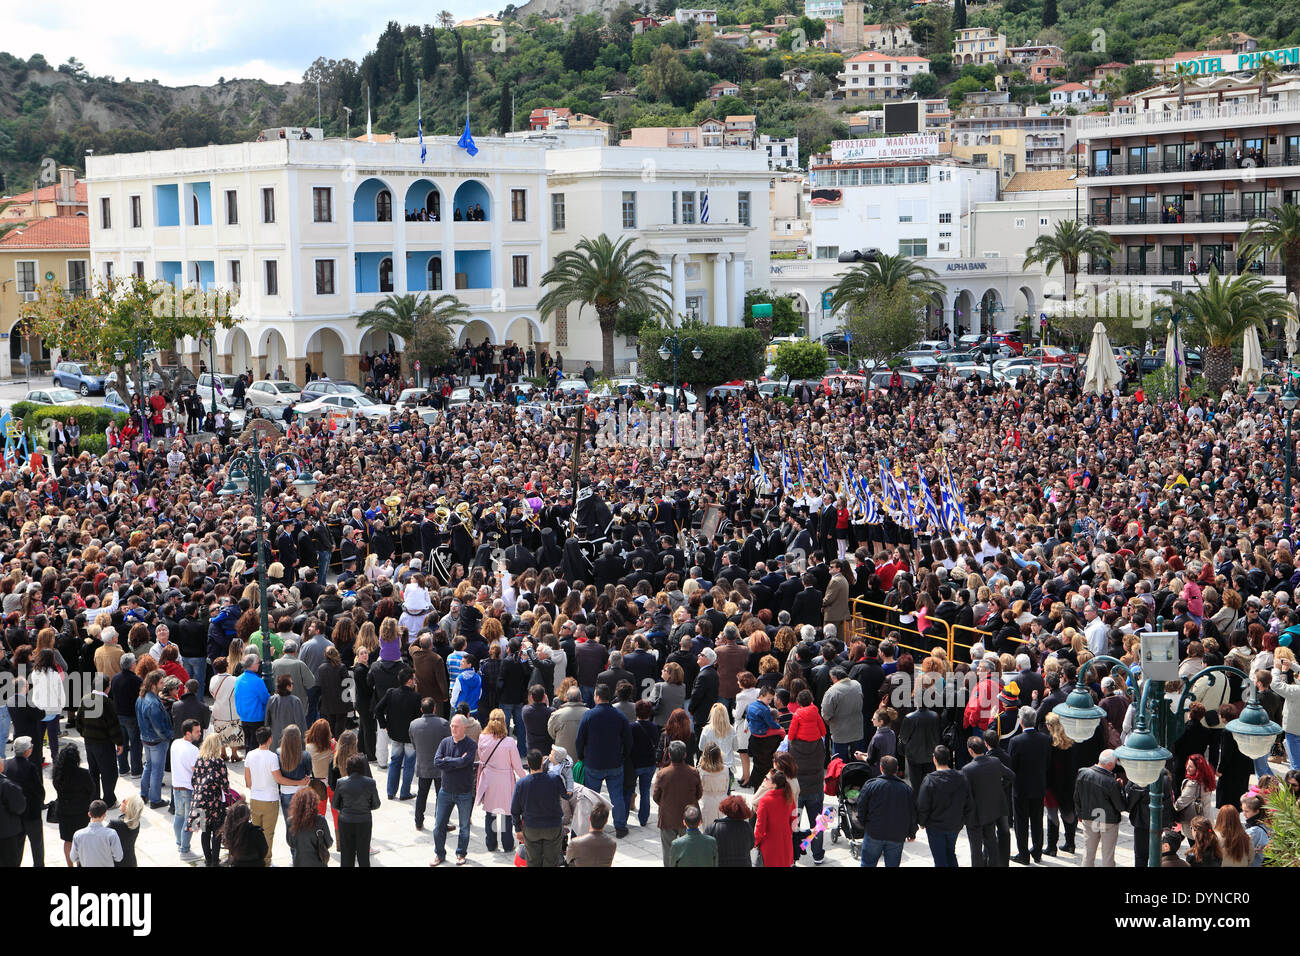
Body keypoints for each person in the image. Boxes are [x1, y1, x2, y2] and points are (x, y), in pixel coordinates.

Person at [574, 683, 633, 837]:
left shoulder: (588, 715)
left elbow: (579, 740)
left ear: (597, 697)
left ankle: (593, 826)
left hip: (593, 763)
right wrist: (623, 756)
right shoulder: (619, 716)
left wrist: (581, 757)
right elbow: (628, 740)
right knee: (617, 796)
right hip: (615, 763)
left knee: (592, 797)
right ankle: (620, 827)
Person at [476, 708, 526, 853]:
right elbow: (517, 766)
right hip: (504, 781)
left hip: (488, 779)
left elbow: (482, 758)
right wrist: (526, 779)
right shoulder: (509, 742)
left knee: (490, 813)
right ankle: (507, 844)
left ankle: (491, 844)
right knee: (505, 814)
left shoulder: (482, 738)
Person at [511, 747, 571, 866]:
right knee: (551, 861)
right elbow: (566, 795)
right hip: (553, 827)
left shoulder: (521, 783)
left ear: (528, 764)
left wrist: (517, 829)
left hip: (531, 828)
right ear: (542, 763)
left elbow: (515, 810)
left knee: (533, 861)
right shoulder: (554, 779)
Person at [1005, 705, 1050, 864]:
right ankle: (1037, 852)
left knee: (1021, 823)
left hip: (1021, 789)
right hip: (1038, 786)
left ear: (1021, 721)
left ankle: (1023, 854)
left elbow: (1012, 766)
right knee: (1037, 821)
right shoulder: (1045, 739)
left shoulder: (1016, 741)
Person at [431, 714, 478, 866]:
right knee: (438, 826)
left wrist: (448, 761)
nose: (453, 728)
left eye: (456, 726)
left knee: (464, 827)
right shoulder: (445, 742)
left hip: (464, 792)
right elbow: (437, 762)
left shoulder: (470, 744)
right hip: (445, 791)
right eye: (452, 725)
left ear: (464, 727)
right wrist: (455, 762)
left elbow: (466, 761)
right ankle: (439, 854)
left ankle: (461, 853)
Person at [855, 755, 917, 867]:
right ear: (897, 769)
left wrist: (864, 823)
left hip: (874, 832)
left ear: (881, 768)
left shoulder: (871, 785)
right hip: (896, 835)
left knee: (867, 863)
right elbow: (912, 813)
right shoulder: (906, 790)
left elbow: (861, 806)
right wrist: (912, 832)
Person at [961, 735, 1014, 867]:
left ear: (970, 750)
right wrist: (999, 787)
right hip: (991, 811)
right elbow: (1011, 775)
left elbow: (964, 794)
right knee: (991, 843)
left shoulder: (967, 769)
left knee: (976, 848)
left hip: (975, 815)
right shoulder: (994, 761)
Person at [916, 745, 971, 867]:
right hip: (955, 824)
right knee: (950, 853)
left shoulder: (929, 780)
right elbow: (968, 801)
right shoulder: (961, 777)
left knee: (940, 858)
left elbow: (923, 805)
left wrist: (922, 822)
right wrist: (964, 819)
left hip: (935, 827)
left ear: (934, 759)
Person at [652, 739, 703, 866]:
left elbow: (656, 797)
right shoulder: (693, 772)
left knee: (669, 851)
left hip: (668, 818)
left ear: (669, 755)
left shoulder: (662, 774)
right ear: (685, 755)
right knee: (688, 851)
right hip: (689, 818)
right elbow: (699, 794)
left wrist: (667, 804)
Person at [1074, 749, 1127, 867]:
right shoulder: (1111, 782)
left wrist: (1080, 814)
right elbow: (1121, 806)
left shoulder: (1082, 773)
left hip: (1089, 817)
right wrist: (1121, 788)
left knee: (1088, 853)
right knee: (1107, 856)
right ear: (1109, 764)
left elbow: (1076, 796)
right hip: (1108, 821)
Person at [409, 697, 451, 831]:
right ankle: (440, 822)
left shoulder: (414, 724)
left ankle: (418, 821)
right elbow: (449, 745)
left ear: (421, 709)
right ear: (434, 708)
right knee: (441, 796)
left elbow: (414, 744)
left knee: (422, 794)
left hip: (423, 765)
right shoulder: (443, 723)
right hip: (440, 766)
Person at [188, 733, 230, 867]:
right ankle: (215, 861)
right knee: (217, 832)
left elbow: (193, 780)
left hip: (200, 801)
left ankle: (208, 859)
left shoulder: (199, 760)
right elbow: (224, 784)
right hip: (214, 802)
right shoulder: (218, 762)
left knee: (204, 831)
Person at [333, 752, 381, 866]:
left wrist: (345, 809)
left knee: (346, 856)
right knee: (363, 855)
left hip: (345, 822)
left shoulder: (341, 782)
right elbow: (376, 804)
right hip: (364, 822)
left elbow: (335, 804)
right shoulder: (370, 782)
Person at [53, 744, 94, 867]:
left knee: (68, 841)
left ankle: (69, 865)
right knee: (81, 841)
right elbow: (92, 789)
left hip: (64, 812)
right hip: (81, 813)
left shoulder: (57, 775)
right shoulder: (83, 774)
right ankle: (80, 864)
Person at [3, 737, 43, 867]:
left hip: (15, 815)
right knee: (37, 846)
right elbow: (39, 792)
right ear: (27, 752)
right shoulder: (30, 767)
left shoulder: (6, 765)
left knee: (17, 847)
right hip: (31, 814)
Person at [169, 718, 202, 859]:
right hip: (189, 789)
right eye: (197, 731)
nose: (200, 733)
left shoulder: (175, 743)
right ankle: (185, 849)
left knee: (179, 816)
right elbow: (198, 771)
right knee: (191, 820)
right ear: (188, 733)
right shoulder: (193, 750)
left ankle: (179, 842)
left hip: (176, 786)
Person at [753, 768, 796, 868]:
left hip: (770, 845)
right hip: (785, 843)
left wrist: (755, 842)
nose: (764, 780)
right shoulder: (789, 797)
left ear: (774, 784)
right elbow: (794, 821)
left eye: (767, 778)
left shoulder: (765, 801)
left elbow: (760, 827)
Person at [287, 786, 333, 867]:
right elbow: (328, 842)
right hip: (319, 862)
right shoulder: (320, 820)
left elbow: (291, 843)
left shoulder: (291, 820)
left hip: (299, 862)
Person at [69, 800, 122, 868]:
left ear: (89, 814)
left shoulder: (78, 835)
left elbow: (73, 858)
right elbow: (118, 857)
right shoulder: (111, 834)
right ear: (104, 815)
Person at [704, 795, 754, 867]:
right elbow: (751, 845)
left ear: (724, 809)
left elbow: (706, 849)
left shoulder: (713, 828)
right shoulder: (747, 827)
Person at [565, 802, 618, 866]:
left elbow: (568, 860)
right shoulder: (612, 844)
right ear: (606, 822)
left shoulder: (575, 843)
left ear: (589, 818)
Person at [221, 801, 270, 868]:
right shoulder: (256, 832)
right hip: (256, 863)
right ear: (248, 816)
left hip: (237, 863)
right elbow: (264, 851)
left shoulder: (230, 831)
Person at [108, 795, 144, 868]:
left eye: (125, 800)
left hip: (116, 863)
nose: (122, 801)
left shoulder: (115, 824)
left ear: (129, 807)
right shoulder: (136, 823)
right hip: (131, 861)